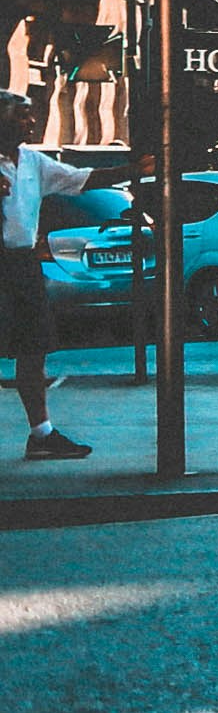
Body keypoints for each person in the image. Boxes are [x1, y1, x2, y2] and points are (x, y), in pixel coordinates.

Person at [4, 91, 84, 461]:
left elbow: (80, 179)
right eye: (23, 115)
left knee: (33, 348)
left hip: (20, 264)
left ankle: (42, 434)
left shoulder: (33, 162)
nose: (32, 122)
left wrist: (138, 170)